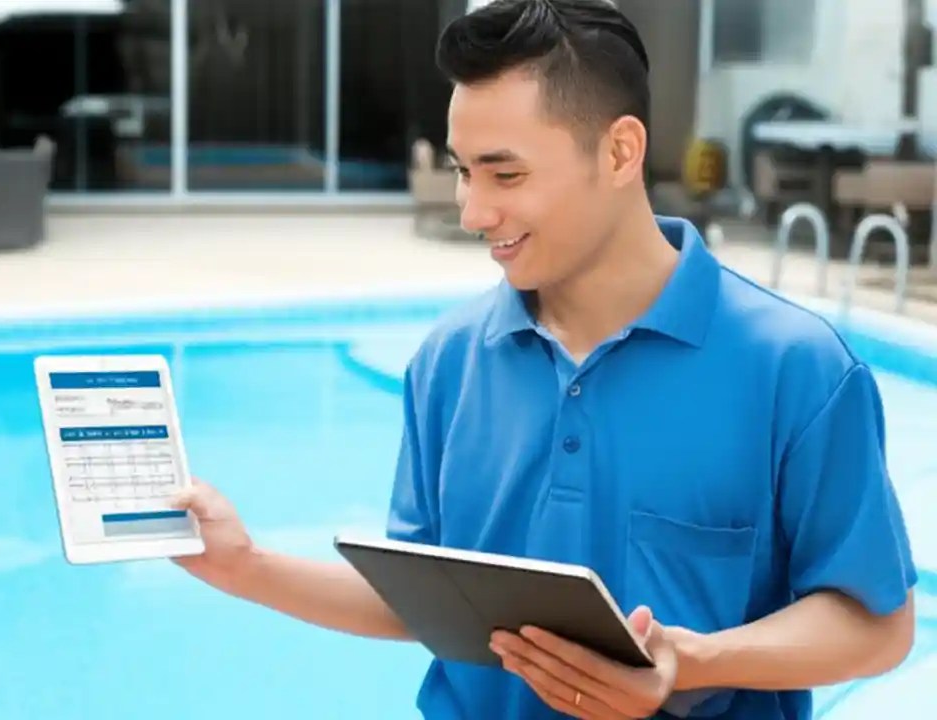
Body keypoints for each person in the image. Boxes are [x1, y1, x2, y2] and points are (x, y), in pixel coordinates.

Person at [171, 1, 918, 718]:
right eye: (465, 171)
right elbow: (432, 602)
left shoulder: (795, 367)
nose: (472, 212)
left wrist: (691, 662)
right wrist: (247, 567)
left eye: (506, 174)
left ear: (621, 151)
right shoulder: (450, 364)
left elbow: (879, 624)